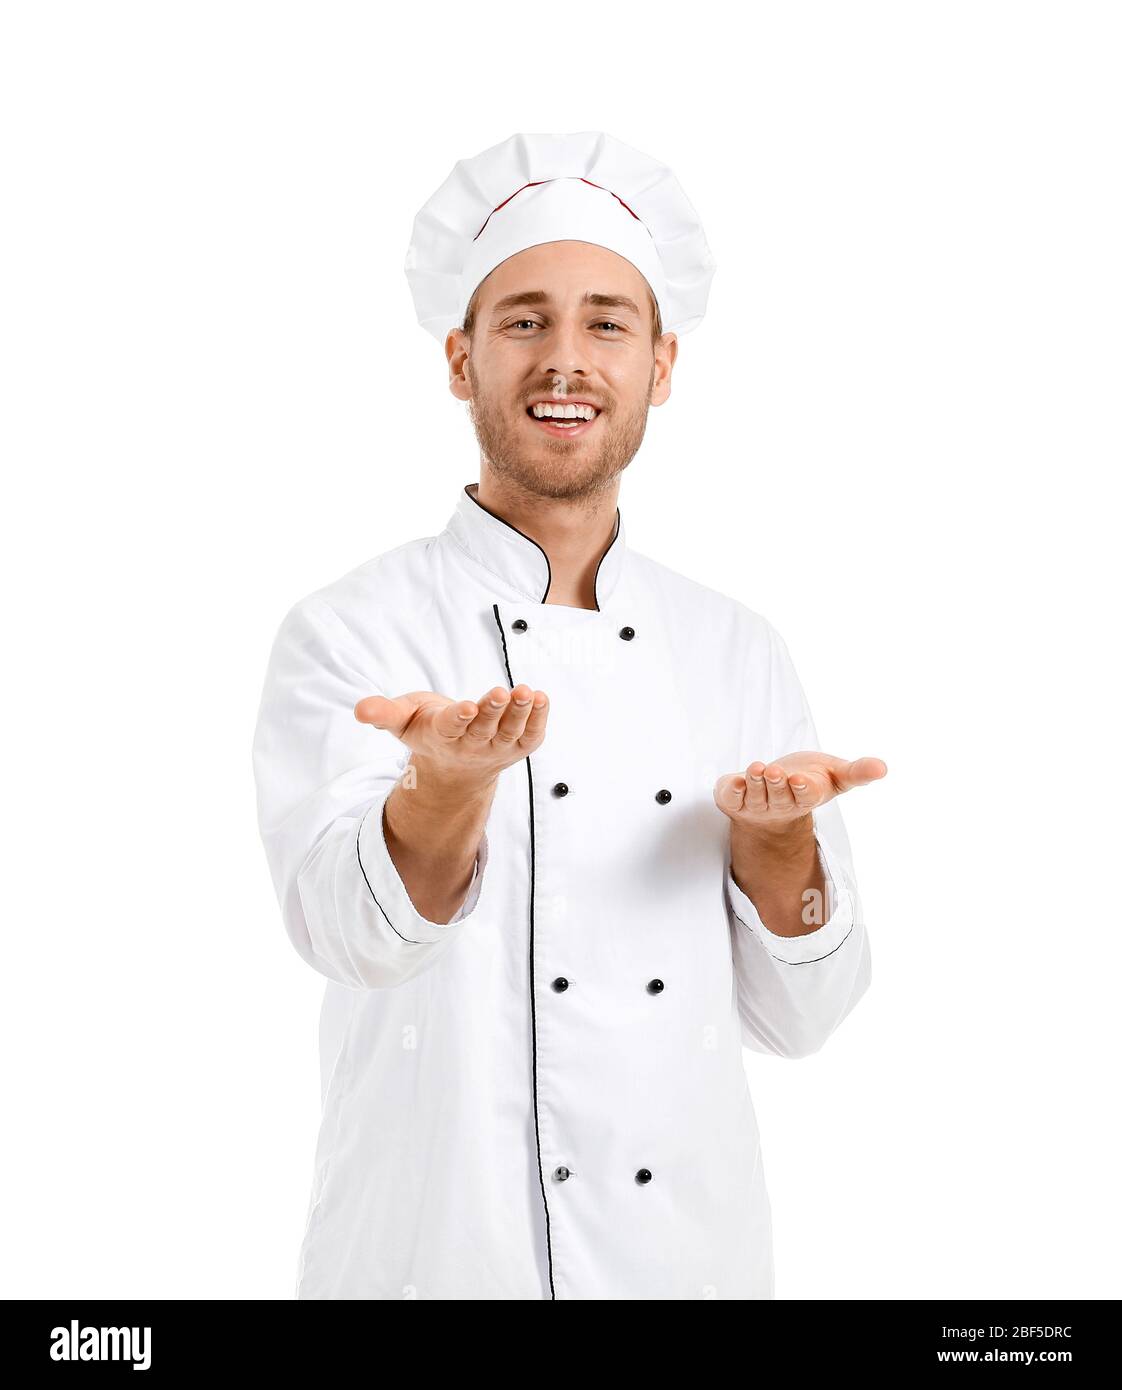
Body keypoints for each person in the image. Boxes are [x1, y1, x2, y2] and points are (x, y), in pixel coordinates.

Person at [251, 130, 887, 1301]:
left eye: (607, 322)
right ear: (461, 358)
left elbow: (806, 1021)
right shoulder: (352, 630)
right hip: (437, 1256)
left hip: (687, 1264)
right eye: (525, 319)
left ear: (661, 363)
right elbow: (344, 938)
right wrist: (439, 792)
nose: (566, 359)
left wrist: (779, 850)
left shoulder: (735, 646)